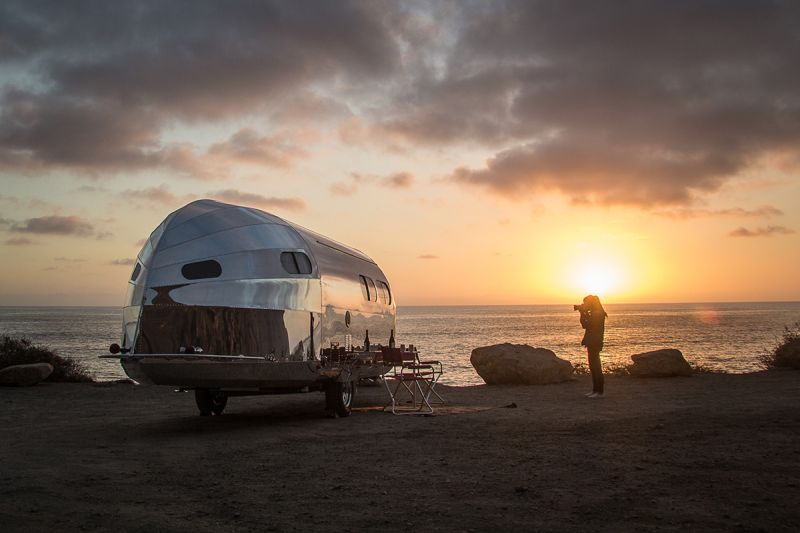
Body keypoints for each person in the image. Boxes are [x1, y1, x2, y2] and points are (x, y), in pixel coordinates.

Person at [578, 294, 608, 398]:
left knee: (596, 367)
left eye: (586, 303)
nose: (585, 305)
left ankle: (600, 392)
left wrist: (584, 312)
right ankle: (595, 390)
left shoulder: (598, 313)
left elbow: (588, 325)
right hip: (591, 341)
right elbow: (584, 325)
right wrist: (583, 312)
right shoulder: (594, 313)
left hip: (595, 341)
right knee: (592, 366)